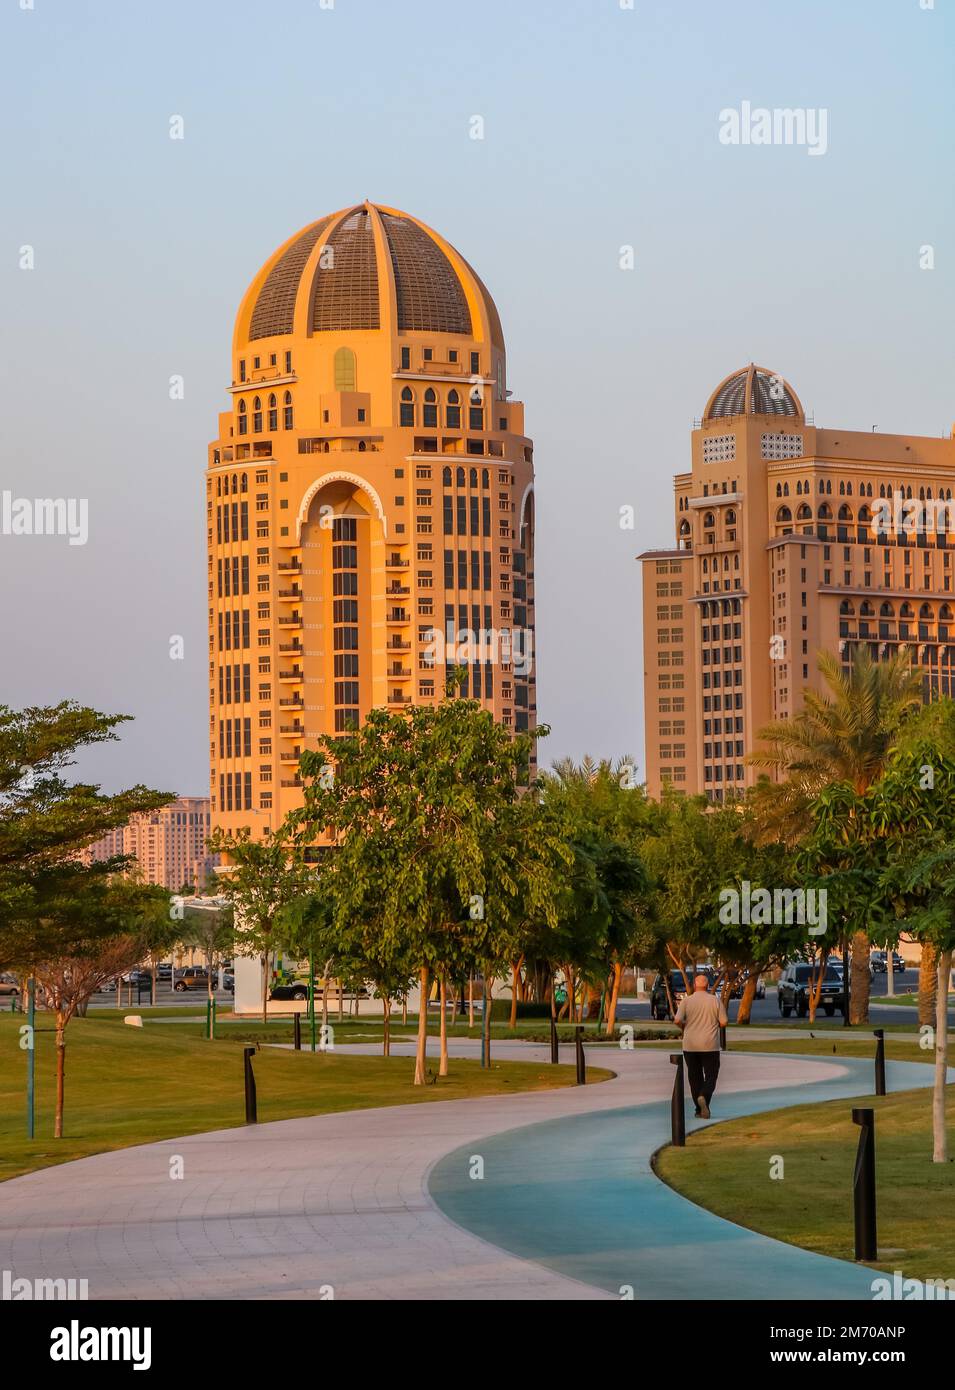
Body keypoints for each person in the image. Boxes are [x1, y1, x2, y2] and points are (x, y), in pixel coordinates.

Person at [673, 974, 727, 1118]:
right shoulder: (715, 1001)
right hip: (710, 1045)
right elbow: (723, 1022)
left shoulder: (687, 1001)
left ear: (694, 986)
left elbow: (677, 1020)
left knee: (694, 1077)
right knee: (711, 1076)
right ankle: (704, 1096)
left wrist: (684, 1027)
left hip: (690, 1045)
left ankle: (699, 1109)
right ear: (708, 985)